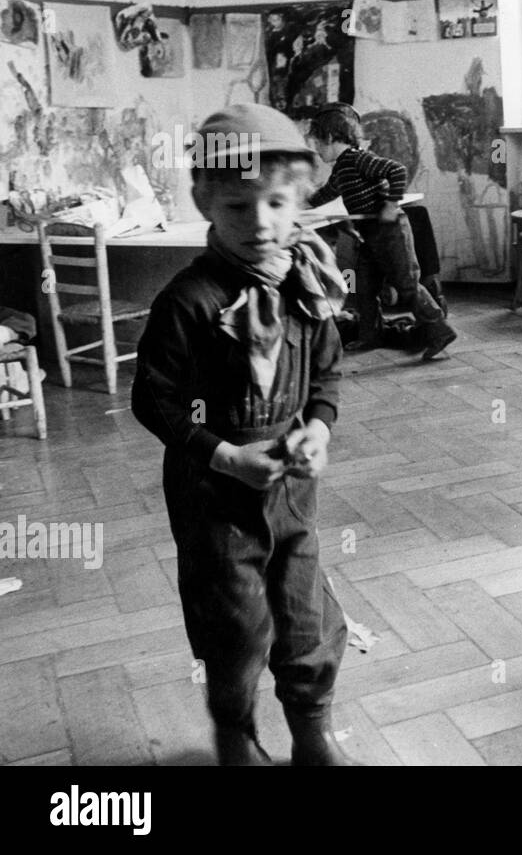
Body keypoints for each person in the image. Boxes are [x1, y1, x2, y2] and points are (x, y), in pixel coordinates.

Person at [131, 103, 356, 766]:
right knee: (234, 627)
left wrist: (318, 429)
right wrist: (225, 455)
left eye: (277, 203)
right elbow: (156, 400)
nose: (260, 223)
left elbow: (326, 373)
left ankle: (312, 733)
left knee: (306, 616)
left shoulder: (305, 286)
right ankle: (235, 737)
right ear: (204, 199)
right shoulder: (189, 300)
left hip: (290, 493)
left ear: (300, 200)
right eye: (237, 206)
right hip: (213, 497)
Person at [306, 102, 455, 361]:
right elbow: (326, 194)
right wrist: (300, 200)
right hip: (369, 235)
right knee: (365, 287)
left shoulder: (359, 159)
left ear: (329, 138)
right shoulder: (341, 168)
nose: (316, 150)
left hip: (390, 231)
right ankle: (370, 335)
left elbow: (396, 170)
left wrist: (390, 204)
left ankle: (439, 330)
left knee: (407, 284)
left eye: (317, 143)